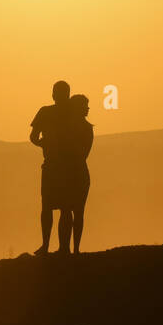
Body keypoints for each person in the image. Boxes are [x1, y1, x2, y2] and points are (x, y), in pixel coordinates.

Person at [30, 80, 73, 254]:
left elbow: (33, 137)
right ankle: (61, 247)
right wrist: (44, 144)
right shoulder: (72, 113)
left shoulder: (46, 112)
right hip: (65, 167)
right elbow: (33, 136)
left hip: (56, 166)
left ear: (53, 94)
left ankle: (50, 246)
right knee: (64, 207)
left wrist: (43, 144)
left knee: (49, 207)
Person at [60, 94, 93, 253]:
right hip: (75, 173)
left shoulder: (83, 128)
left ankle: (73, 249)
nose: (88, 108)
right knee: (69, 211)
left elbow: (82, 153)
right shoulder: (83, 128)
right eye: (85, 105)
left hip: (75, 174)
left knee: (73, 211)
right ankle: (69, 249)